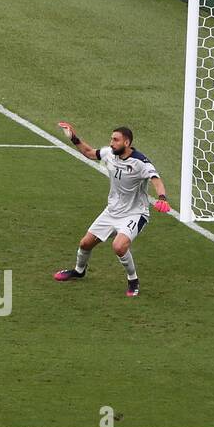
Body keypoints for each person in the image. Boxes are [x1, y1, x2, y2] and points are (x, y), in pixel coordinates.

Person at [52, 122, 170, 297]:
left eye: (116, 140)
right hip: (112, 211)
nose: (112, 143)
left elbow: (156, 179)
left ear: (127, 143)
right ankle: (79, 271)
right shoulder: (109, 154)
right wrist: (74, 138)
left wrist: (162, 197)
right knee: (85, 243)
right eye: (111, 139)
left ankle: (133, 280)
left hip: (135, 213)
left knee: (119, 246)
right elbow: (89, 153)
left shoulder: (140, 162)